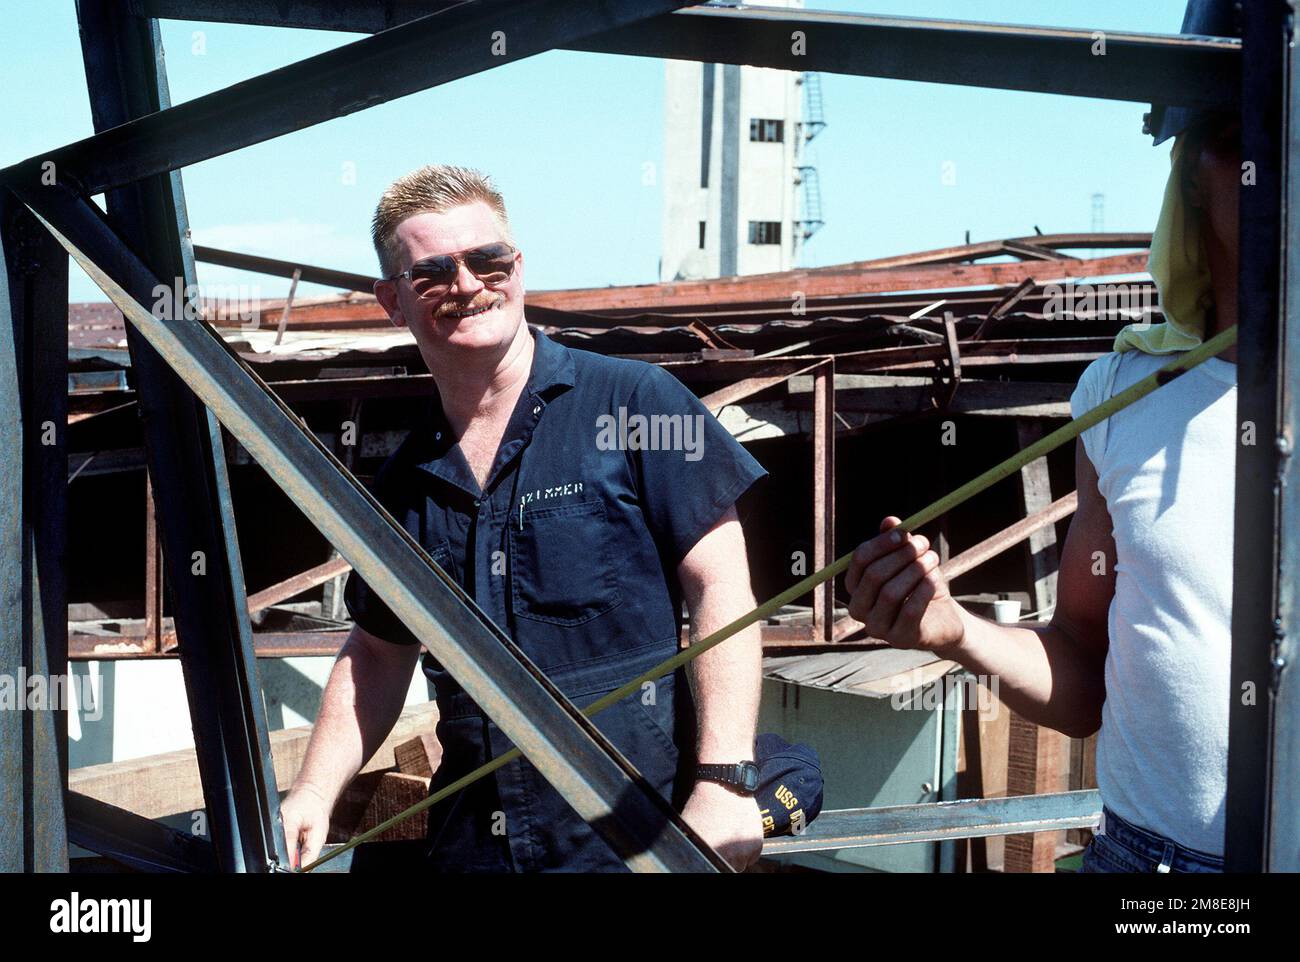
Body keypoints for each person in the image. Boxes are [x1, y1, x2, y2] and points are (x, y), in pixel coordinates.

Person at [280, 165, 768, 872]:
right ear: (392, 300)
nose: (469, 286)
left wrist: (725, 781)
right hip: (478, 849)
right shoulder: (405, 480)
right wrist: (314, 792)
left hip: (639, 842)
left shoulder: (635, 404)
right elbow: (381, 650)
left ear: (519, 268)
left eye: (488, 260)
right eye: (433, 273)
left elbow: (721, 587)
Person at [844, 1, 1240, 874]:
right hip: (1156, 874)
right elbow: (1085, 677)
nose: (1272, 165)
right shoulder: (1127, 395)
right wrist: (954, 632)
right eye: (1238, 132)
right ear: (1190, 174)